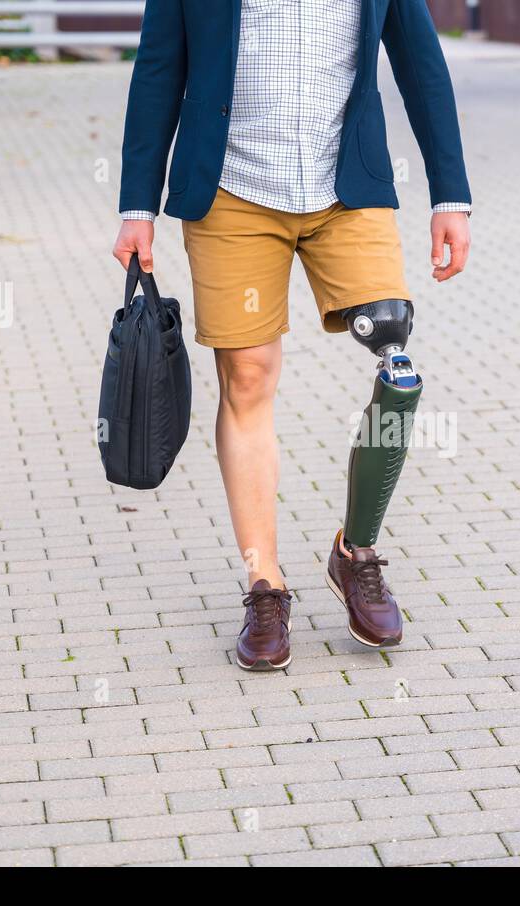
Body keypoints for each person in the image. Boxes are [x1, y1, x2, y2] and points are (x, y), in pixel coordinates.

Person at [112, 0, 472, 671]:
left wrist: (451, 195)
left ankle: (355, 552)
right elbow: (159, 68)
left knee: (397, 364)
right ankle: (265, 584)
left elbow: (421, 66)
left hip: (349, 189)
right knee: (247, 378)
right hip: (231, 192)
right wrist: (138, 205)